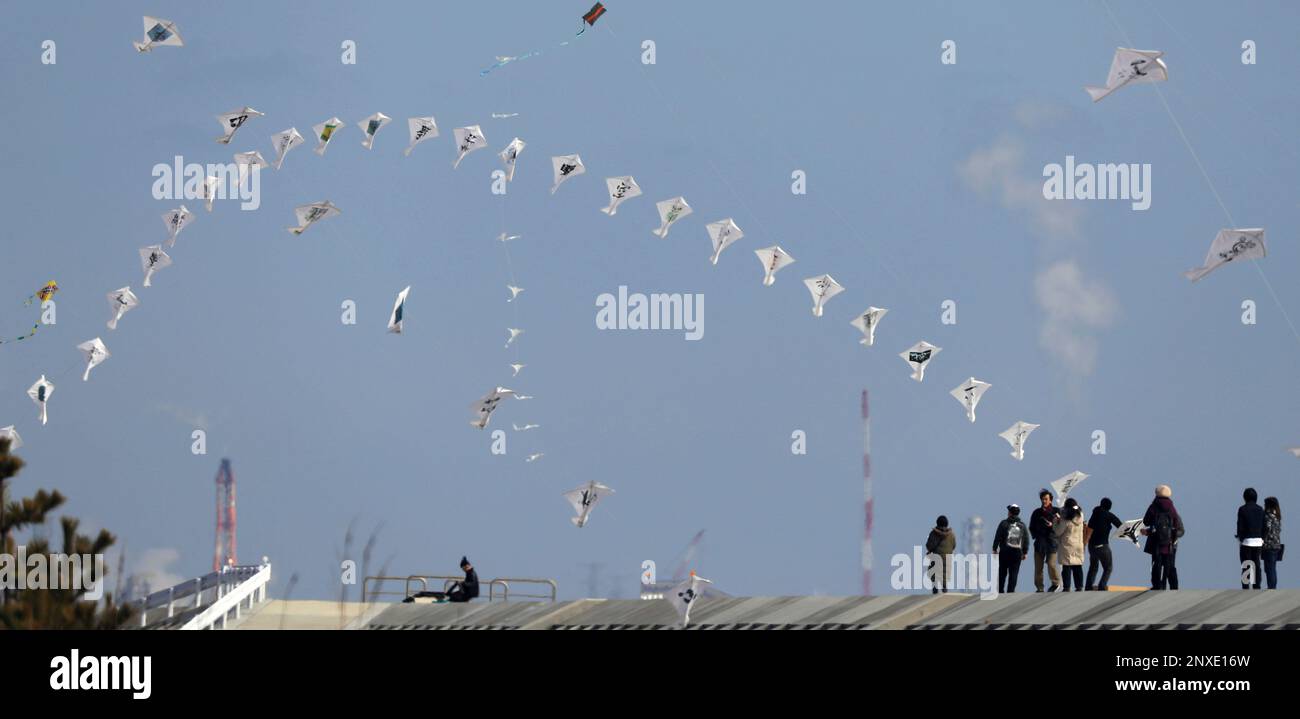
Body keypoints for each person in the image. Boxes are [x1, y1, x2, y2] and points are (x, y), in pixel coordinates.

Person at [1142, 485, 1184, 590]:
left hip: (1156, 541)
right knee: (1170, 565)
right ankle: (1174, 587)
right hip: (1170, 542)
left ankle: (1157, 586)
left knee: (1156, 563)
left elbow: (1145, 521)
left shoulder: (1153, 507)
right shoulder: (1172, 508)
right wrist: (1173, 535)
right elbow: (1178, 525)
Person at [1085, 498, 1122, 591]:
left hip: (1092, 546)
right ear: (1109, 507)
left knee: (1093, 566)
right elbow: (1121, 526)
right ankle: (1102, 585)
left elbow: (1089, 529)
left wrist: (1085, 542)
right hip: (1103, 546)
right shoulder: (1109, 515)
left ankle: (1088, 586)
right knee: (1108, 567)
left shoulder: (1094, 514)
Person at [991, 504, 1029, 593]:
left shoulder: (1003, 523)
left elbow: (998, 536)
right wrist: (1025, 552)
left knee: (1002, 572)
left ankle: (1000, 590)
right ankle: (1011, 592)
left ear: (1009, 513)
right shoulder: (1022, 525)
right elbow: (1026, 539)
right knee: (1014, 573)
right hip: (1016, 553)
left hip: (1004, 552)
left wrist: (994, 548)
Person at [1029, 489, 1061, 592]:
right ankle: (1039, 587)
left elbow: (1061, 526)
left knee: (1051, 564)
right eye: (1042, 499)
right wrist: (1036, 535)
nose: (1044, 501)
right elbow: (1031, 527)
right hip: (1039, 542)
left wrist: (1053, 525)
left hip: (1052, 542)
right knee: (1038, 567)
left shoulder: (1057, 511)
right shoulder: (1036, 512)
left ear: (1050, 500)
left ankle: (1056, 583)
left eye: (1046, 499)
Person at [1054, 498, 1085, 591]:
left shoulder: (1065, 518)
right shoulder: (1081, 516)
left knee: (1066, 566)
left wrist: (1055, 522)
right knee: (1078, 566)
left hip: (1067, 544)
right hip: (1079, 544)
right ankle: (1079, 586)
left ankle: (1067, 587)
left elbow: (1058, 532)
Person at [1236, 488, 1265, 590]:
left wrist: (1240, 536)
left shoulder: (1242, 509)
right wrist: (1262, 538)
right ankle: (1256, 585)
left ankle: (1246, 585)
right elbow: (1264, 526)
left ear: (1245, 498)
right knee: (1256, 564)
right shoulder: (1260, 509)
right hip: (1258, 541)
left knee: (1246, 564)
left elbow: (1240, 525)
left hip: (1246, 541)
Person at [925, 516, 956, 594]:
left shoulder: (933, 534)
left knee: (933, 571)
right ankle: (944, 588)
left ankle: (935, 588)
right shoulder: (951, 535)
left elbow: (929, 546)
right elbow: (954, 545)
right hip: (947, 557)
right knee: (945, 572)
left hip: (936, 557)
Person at [1263, 497, 1283, 590]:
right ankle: (1273, 586)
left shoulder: (1268, 516)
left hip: (1269, 545)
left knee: (1269, 568)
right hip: (1277, 545)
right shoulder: (1277, 516)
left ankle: (1271, 587)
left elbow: (1267, 528)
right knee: (1273, 567)